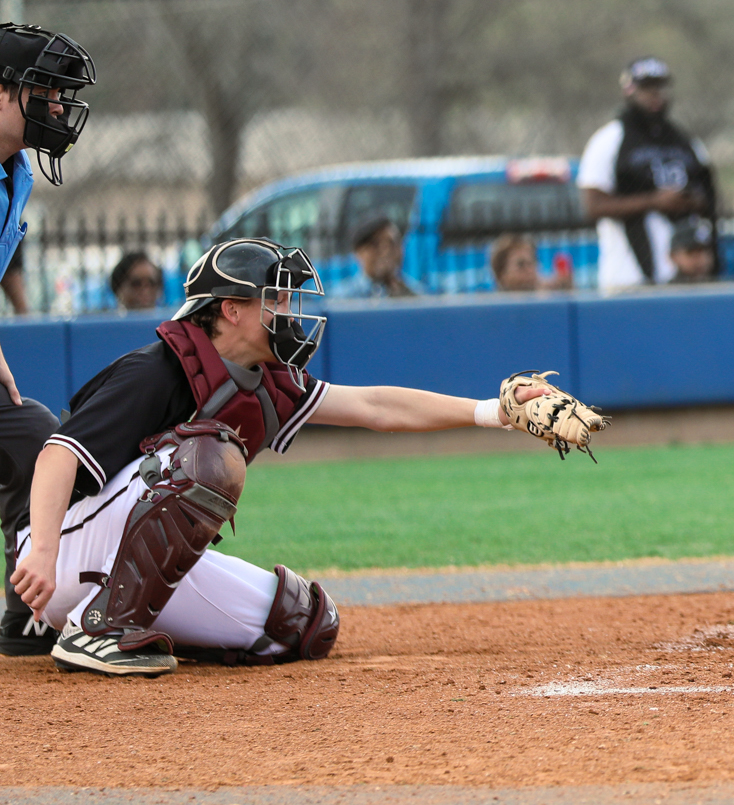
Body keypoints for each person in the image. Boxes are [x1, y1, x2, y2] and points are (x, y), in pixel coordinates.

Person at [5, 237, 604, 676]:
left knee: (301, 624)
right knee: (204, 458)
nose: (288, 311)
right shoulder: (156, 370)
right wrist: (47, 552)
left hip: (115, 563)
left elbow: (375, 405)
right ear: (231, 309)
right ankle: (98, 630)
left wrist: (491, 410)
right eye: (275, 299)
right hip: (64, 551)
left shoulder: (265, 377)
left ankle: (123, 622)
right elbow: (57, 454)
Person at [0, 23, 96, 659]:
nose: (58, 108)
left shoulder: (17, 173)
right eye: (45, 91)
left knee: (38, 440)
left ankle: (27, 615)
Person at [578, 57, 717, 289]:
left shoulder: (686, 142)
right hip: (628, 278)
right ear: (629, 91)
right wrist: (653, 201)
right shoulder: (609, 140)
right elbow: (593, 206)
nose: (655, 94)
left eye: (660, 87)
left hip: (685, 281)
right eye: (646, 88)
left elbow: (709, 199)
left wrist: (687, 201)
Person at [333, 215, 420, 298]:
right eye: (375, 245)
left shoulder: (416, 297)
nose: (385, 251)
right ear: (358, 252)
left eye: (392, 243)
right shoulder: (343, 299)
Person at [489, 233, 572, 293]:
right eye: (521, 265)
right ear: (501, 274)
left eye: (532, 262)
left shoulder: (548, 297)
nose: (530, 270)